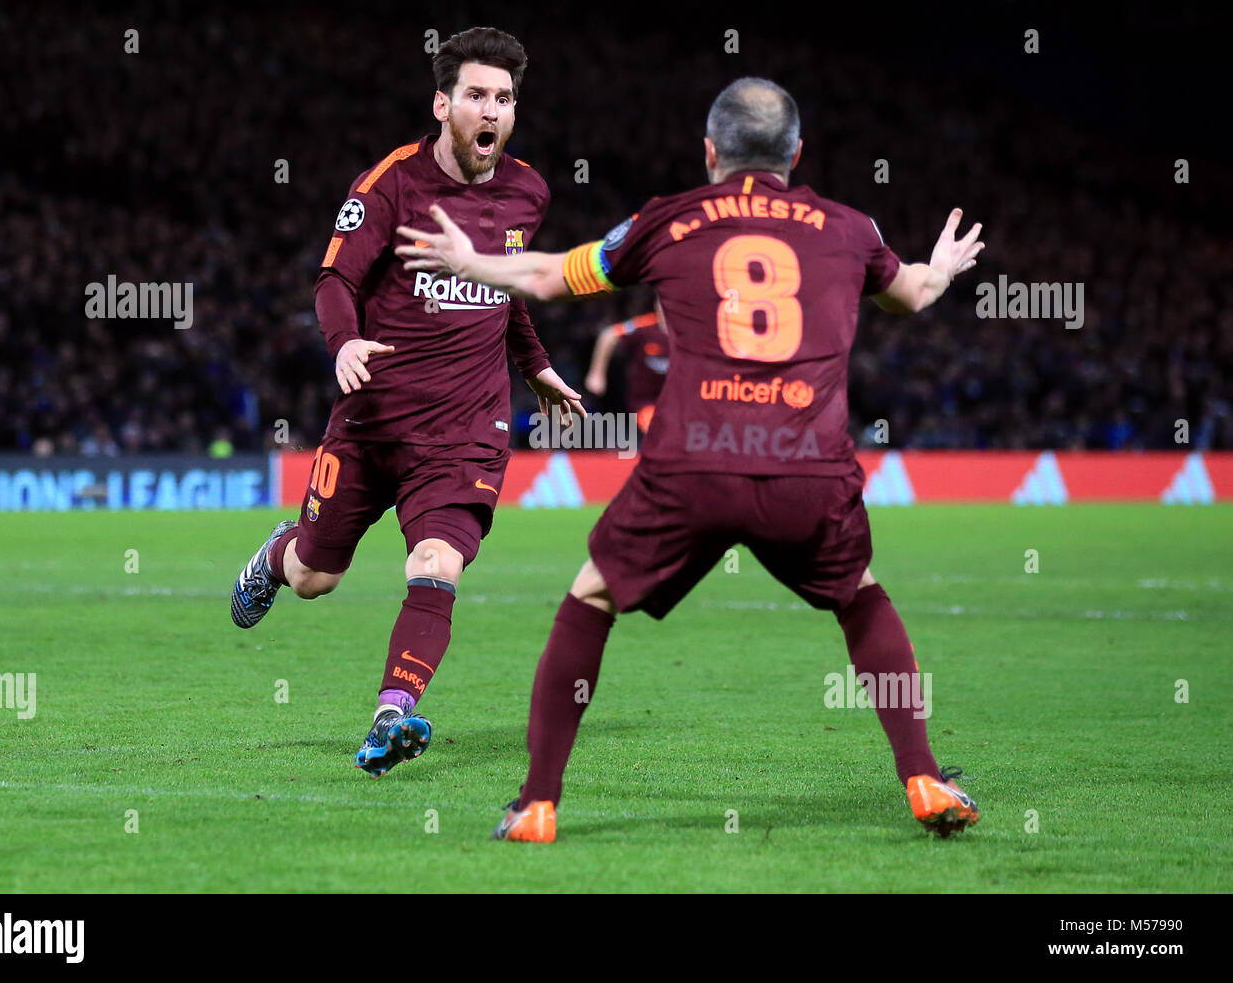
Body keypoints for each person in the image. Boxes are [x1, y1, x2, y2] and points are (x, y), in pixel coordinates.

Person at [397, 76, 985, 841]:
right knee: (861, 599)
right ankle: (924, 779)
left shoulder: (667, 219)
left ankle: (538, 803)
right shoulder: (851, 227)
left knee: (591, 599)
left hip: (691, 467)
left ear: (709, 151)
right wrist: (942, 266)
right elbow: (910, 293)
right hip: (807, 469)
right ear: (797, 154)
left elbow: (550, 276)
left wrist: (472, 262)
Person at [230, 27, 584, 779]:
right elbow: (334, 281)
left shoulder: (530, 191)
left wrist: (537, 367)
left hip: (467, 428)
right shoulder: (390, 183)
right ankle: (276, 552)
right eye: (478, 95)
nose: (492, 110)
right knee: (315, 578)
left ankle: (393, 712)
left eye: (505, 98)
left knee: (436, 562)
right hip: (374, 421)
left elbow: (508, 285)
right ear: (443, 104)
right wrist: (344, 344)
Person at [584, 299, 669, 435]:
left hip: (677, 398)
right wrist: (596, 374)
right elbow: (609, 335)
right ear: (656, 305)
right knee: (658, 432)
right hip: (645, 400)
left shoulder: (689, 331)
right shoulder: (644, 326)